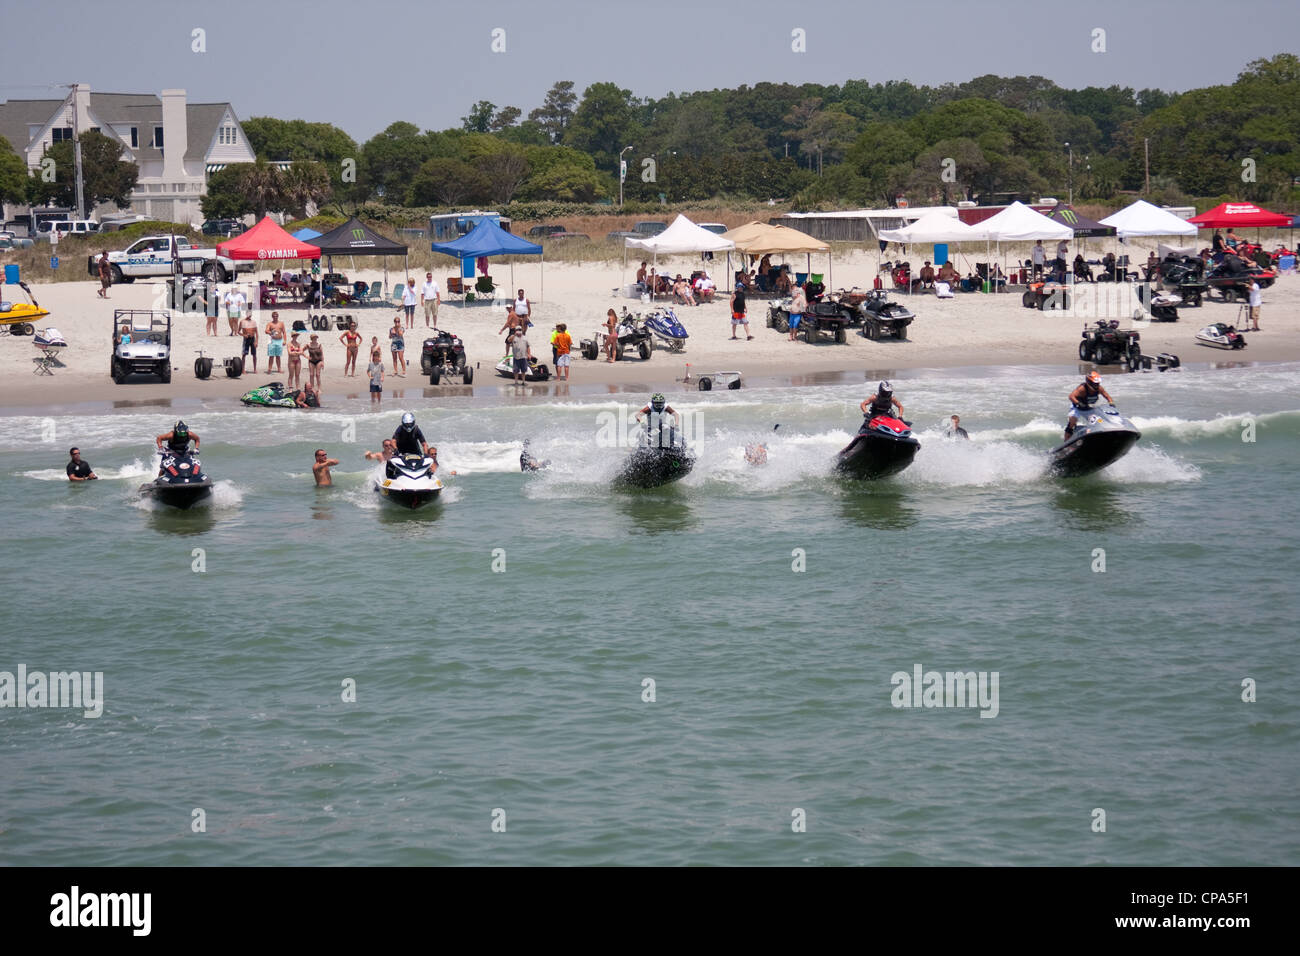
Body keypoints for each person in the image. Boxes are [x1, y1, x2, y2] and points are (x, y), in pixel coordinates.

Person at [1065, 370, 1114, 439]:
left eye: (1097, 384)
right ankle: (1066, 442)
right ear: (1089, 382)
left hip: (1088, 408)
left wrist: (1111, 402)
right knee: (1072, 422)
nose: (1096, 386)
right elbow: (1071, 396)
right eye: (1095, 384)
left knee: (1098, 421)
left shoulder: (1099, 388)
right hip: (1077, 408)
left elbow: (1107, 396)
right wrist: (1078, 403)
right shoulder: (1082, 389)